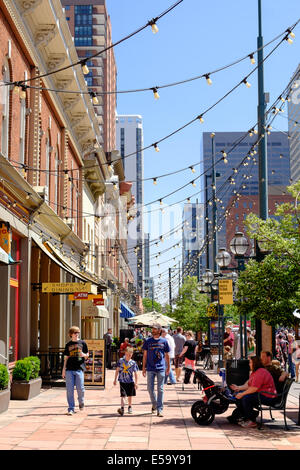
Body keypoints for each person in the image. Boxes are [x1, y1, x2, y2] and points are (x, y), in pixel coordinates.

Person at [230, 356, 277, 428]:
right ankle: (247, 416)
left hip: (268, 396)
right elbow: (249, 385)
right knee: (238, 396)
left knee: (246, 398)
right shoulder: (255, 372)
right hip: (261, 394)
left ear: (255, 363)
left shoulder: (260, 372)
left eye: (251, 363)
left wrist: (242, 394)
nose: (249, 364)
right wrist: (238, 388)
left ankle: (252, 420)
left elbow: (254, 388)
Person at [142, 323, 170, 417]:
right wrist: (143, 367)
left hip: (161, 368)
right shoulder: (148, 341)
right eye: (152, 329)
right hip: (150, 368)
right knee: (150, 389)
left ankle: (159, 409)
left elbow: (167, 355)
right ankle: (154, 404)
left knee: (160, 389)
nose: (152, 331)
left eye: (154, 329)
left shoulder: (164, 341)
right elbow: (145, 355)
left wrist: (168, 367)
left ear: (159, 330)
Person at [62, 326, 89, 416]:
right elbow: (66, 358)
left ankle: (81, 401)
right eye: (75, 333)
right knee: (69, 390)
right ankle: (71, 408)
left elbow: (87, 355)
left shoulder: (83, 343)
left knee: (80, 388)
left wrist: (83, 354)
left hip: (79, 369)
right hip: (69, 369)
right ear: (71, 334)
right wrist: (63, 370)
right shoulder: (68, 344)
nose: (77, 334)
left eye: (78, 332)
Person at [113, 347, 138, 416]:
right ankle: (122, 408)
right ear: (125, 353)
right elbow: (117, 370)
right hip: (122, 380)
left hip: (130, 381)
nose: (128, 356)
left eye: (130, 355)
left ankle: (130, 406)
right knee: (123, 395)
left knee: (130, 395)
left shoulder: (133, 363)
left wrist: (136, 383)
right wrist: (115, 379)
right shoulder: (121, 361)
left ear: (132, 354)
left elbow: (136, 373)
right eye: (127, 354)